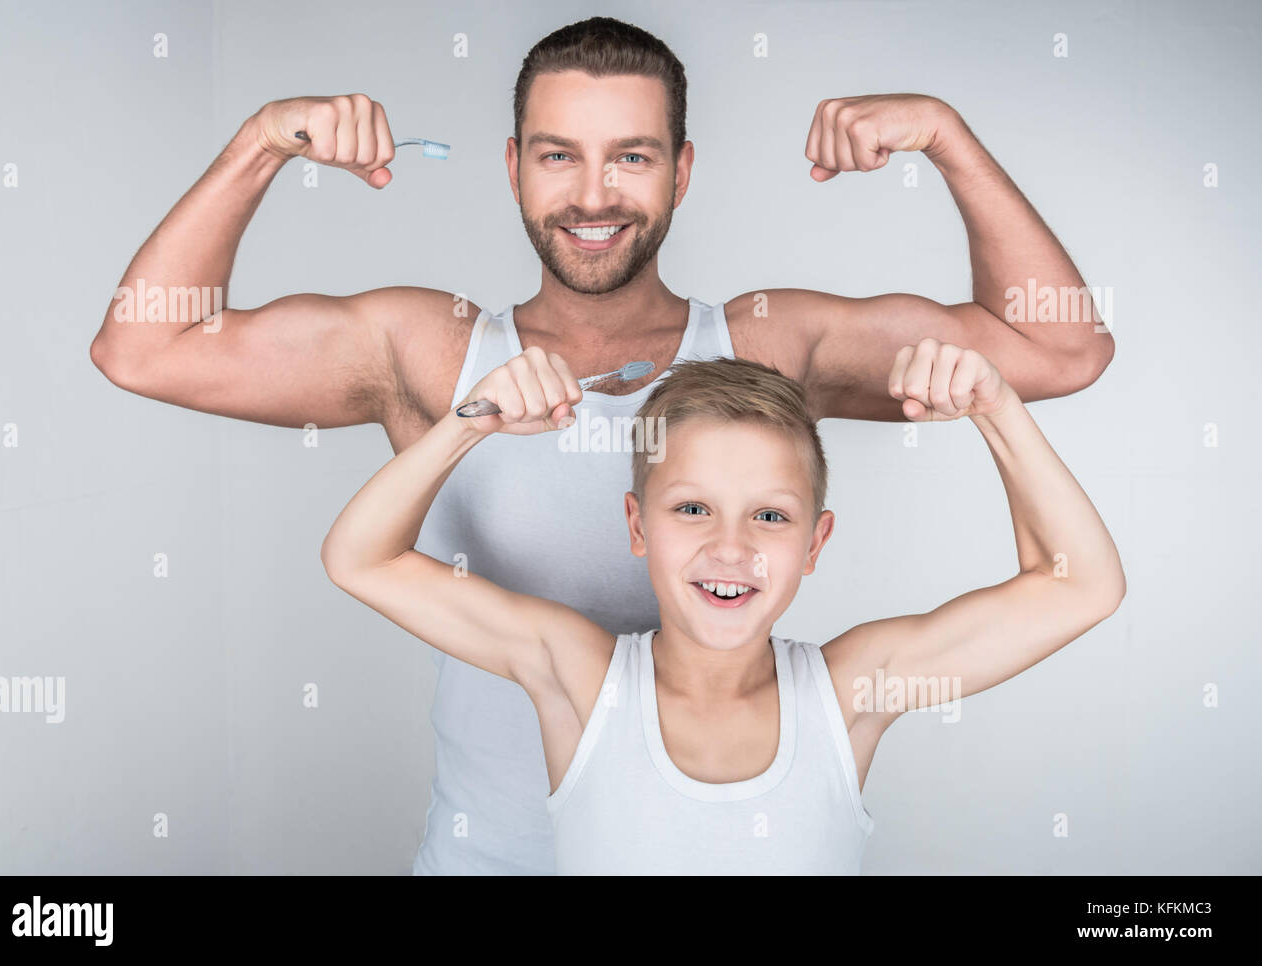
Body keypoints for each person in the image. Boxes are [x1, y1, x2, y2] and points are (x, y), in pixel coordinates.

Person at [88, 16, 1115, 874]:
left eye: (630, 155)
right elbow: (142, 350)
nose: (592, 195)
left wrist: (946, 139)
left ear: (680, 169)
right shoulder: (430, 350)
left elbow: (1059, 347)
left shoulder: (765, 344)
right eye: (557, 155)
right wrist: (264, 141)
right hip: (488, 854)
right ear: (512, 168)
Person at [318, 339, 1125, 874]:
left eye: (770, 516)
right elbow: (360, 558)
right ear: (638, 527)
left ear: (815, 542)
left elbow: (1079, 584)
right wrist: (471, 422)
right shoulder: (581, 678)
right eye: (693, 509)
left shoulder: (848, 695)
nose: (731, 549)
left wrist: (997, 407)